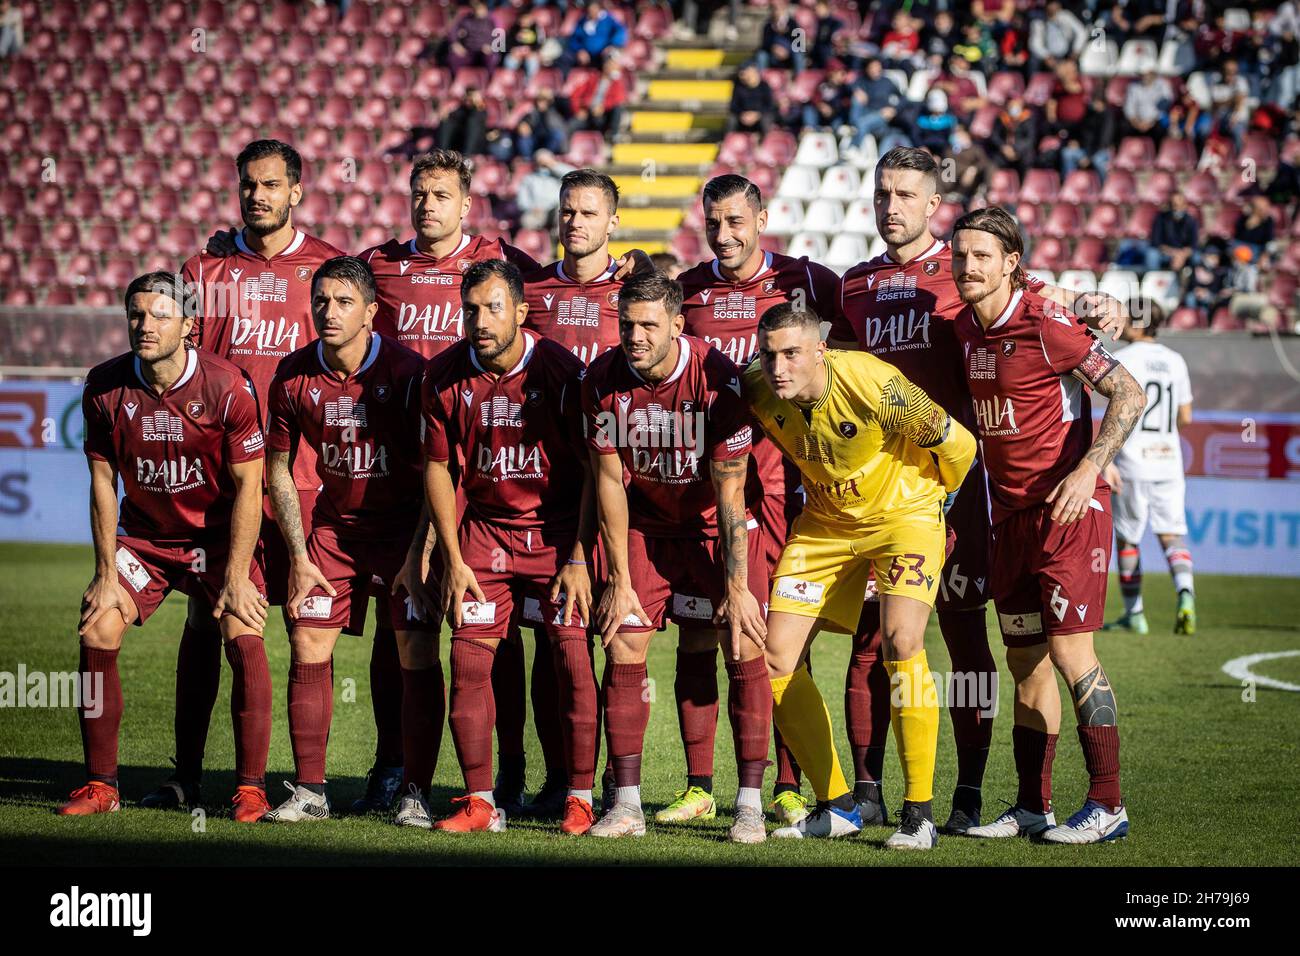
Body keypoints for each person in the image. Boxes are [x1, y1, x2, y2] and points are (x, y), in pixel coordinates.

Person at [826, 146, 1131, 835]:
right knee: (874, 639)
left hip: (966, 495)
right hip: (880, 493)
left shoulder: (967, 275)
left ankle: (968, 792)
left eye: (905, 195)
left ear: (933, 203)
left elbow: (1044, 306)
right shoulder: (853, 287)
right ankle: (870, 790)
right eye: (882, 194)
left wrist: (1103, 302)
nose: (890, 207)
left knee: (972, 646)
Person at [744, 303, 977, 849]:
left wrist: (935, 503)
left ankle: (918, 814)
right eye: (770, 354)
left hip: (905, 517)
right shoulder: (756, 388)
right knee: (773, 657)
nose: (779, 367)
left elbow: (960, 444)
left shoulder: (872, 382)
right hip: (825, 526)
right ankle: (838, 804)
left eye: (792, 354)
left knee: (901, 640)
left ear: (820, 351)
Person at [156, 140, 343, 814]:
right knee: (208, 621)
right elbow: (180, 377)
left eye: (271, 184)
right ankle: (187, 775)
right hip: (221, 484)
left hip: (303, 481)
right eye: (248, 184)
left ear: (297, 191)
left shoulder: (328, 267)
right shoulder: (203, 269)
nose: (258, 195)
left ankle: (305, 783)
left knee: (302, 626)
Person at [950, 205, 1145, 844]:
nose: (967, 266)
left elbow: (1130, 392)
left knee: (1070, 651)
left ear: (1011, 263)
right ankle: (1033, 805)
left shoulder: (1046, 325)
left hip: (1068, 511)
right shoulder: (961, 328)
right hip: (1007, 516)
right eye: (960, 254)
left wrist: (1092, 466)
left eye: (982, 256)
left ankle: (1107, 805)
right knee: (1026, 660)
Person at [65, 272, 271, 821]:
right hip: (148, 540)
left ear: (189, 325)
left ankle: (250, 788)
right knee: (97, 625)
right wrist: (106, 572)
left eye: (159, 315)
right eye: (136, 314)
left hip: (219, 537)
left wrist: (236, 574)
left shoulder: (228, 386)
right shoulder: (104, 386)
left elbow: (252, 485)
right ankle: (100, 785)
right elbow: (101, 483)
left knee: (241, 629)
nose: (145, 325)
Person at [582, 272, 772, 843]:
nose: (634, 336)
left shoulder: (717, 380)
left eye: (647, 325)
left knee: (742, 639)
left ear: (676, 324)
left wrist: (736, 588)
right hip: (648, 524)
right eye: (625, 324)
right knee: (623, 636)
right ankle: (627, 804)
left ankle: (749, 805)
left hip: (717, 525)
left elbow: (732, 491)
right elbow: (610, 480)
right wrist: (618, 577)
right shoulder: (602, 378)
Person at [675, 174, 841, 826]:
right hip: (715, 485)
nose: (725, 234)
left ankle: (789, 783)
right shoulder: (689, 294)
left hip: (791, 486)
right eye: (714, 223)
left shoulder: (810, 283)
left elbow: (848, 360)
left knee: (782, 640)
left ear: (762, 218)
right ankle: (697, 784)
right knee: (710, 628)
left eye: (737, 220)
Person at [423, 259, 601, 835]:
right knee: (467, 659)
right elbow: (437, 469)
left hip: (554, 536)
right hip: (485, 535)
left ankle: (579, 796)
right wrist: (449, 558)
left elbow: (597, 472)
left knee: (573, 657)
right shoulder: (442, 376)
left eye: (493, 307)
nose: (480, 319)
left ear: (523, 312)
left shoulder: (565, 373)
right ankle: (480, 802)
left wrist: (578, 556)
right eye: (470, 309)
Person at [263, 256, 436, 823]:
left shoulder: (410, 375)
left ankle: (413, 793)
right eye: (320, 301)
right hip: (334, 534)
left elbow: (440, 470)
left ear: (371, 311)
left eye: (342, 302)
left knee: (413, 647)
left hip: (403, 530)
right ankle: (310, 792)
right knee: (307, 639)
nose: (328, 313)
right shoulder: (292, 375)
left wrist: (421, 553)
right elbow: (280, 468)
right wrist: (298, 553)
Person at [1102, 303, 1196, 636]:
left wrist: (1106, 460)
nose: (1122, 322)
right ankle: (1185, 594)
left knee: (1129, 539)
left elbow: (1116, 410)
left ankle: (1134, 614)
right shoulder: (1176, 360)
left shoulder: (1124, 358)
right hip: (1169, 460)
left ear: (1139, 324)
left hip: (1132, 460)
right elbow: (1185, 417)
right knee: (1171, 534)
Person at [728, 62, 775, 136]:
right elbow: (733, 106)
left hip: (760, 116)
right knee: (732, 119)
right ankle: (729, 141)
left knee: (766, 119)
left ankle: (765, 142)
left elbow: (769, 106)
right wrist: (742, 114)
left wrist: (757, 114)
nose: (743, 76)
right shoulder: (738, 87)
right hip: (744, 116)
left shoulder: (764, 86)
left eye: (745, 73)